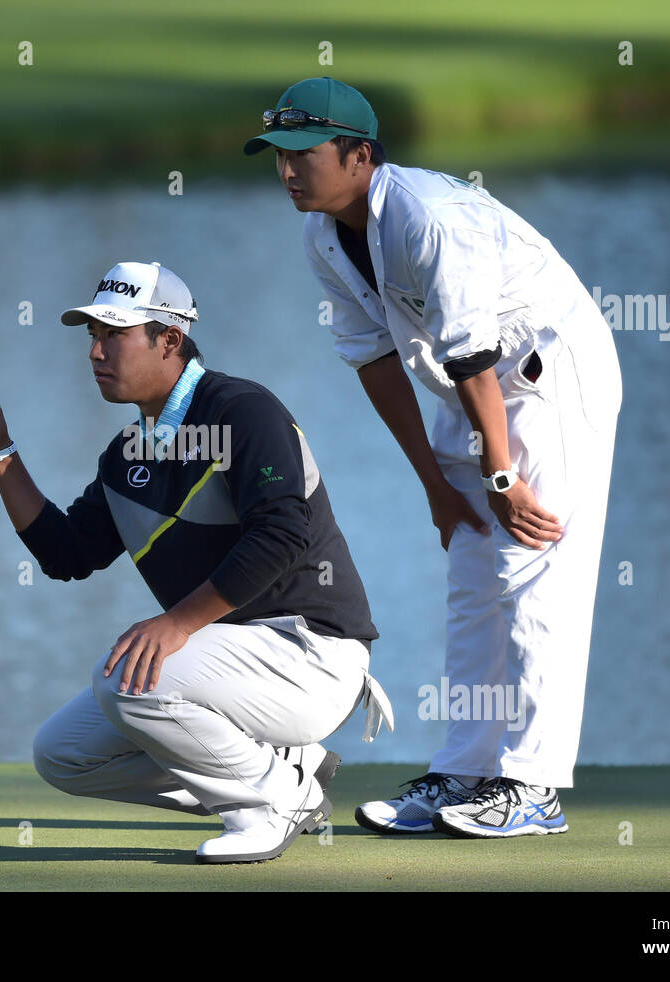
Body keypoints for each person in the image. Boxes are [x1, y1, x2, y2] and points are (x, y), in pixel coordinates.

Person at [244, 78, 622, 838]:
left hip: (549, 378)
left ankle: (533, 787)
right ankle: (466, 770)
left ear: (360, 156)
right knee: (473, 576)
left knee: (532, 573)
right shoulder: (324, 235)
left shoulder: (429, 219)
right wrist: (433, 484)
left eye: (303, 154)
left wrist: (503, 475)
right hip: (473, 390)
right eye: (277, 157)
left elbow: (477, 356)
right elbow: (377, 362)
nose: (287, 172)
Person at [0, 260, 392, 863]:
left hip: (312, 654)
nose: (95, 352)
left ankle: (266, 800)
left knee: (126, 679)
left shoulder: (243, 411)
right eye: (92, 336)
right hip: (236, 673)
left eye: (114, 334)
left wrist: (177, 623)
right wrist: (0, 453)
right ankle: (282, 771)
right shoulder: (128, 453)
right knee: (63, 754)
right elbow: (66, 553)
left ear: (170, 340)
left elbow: (280, 535)